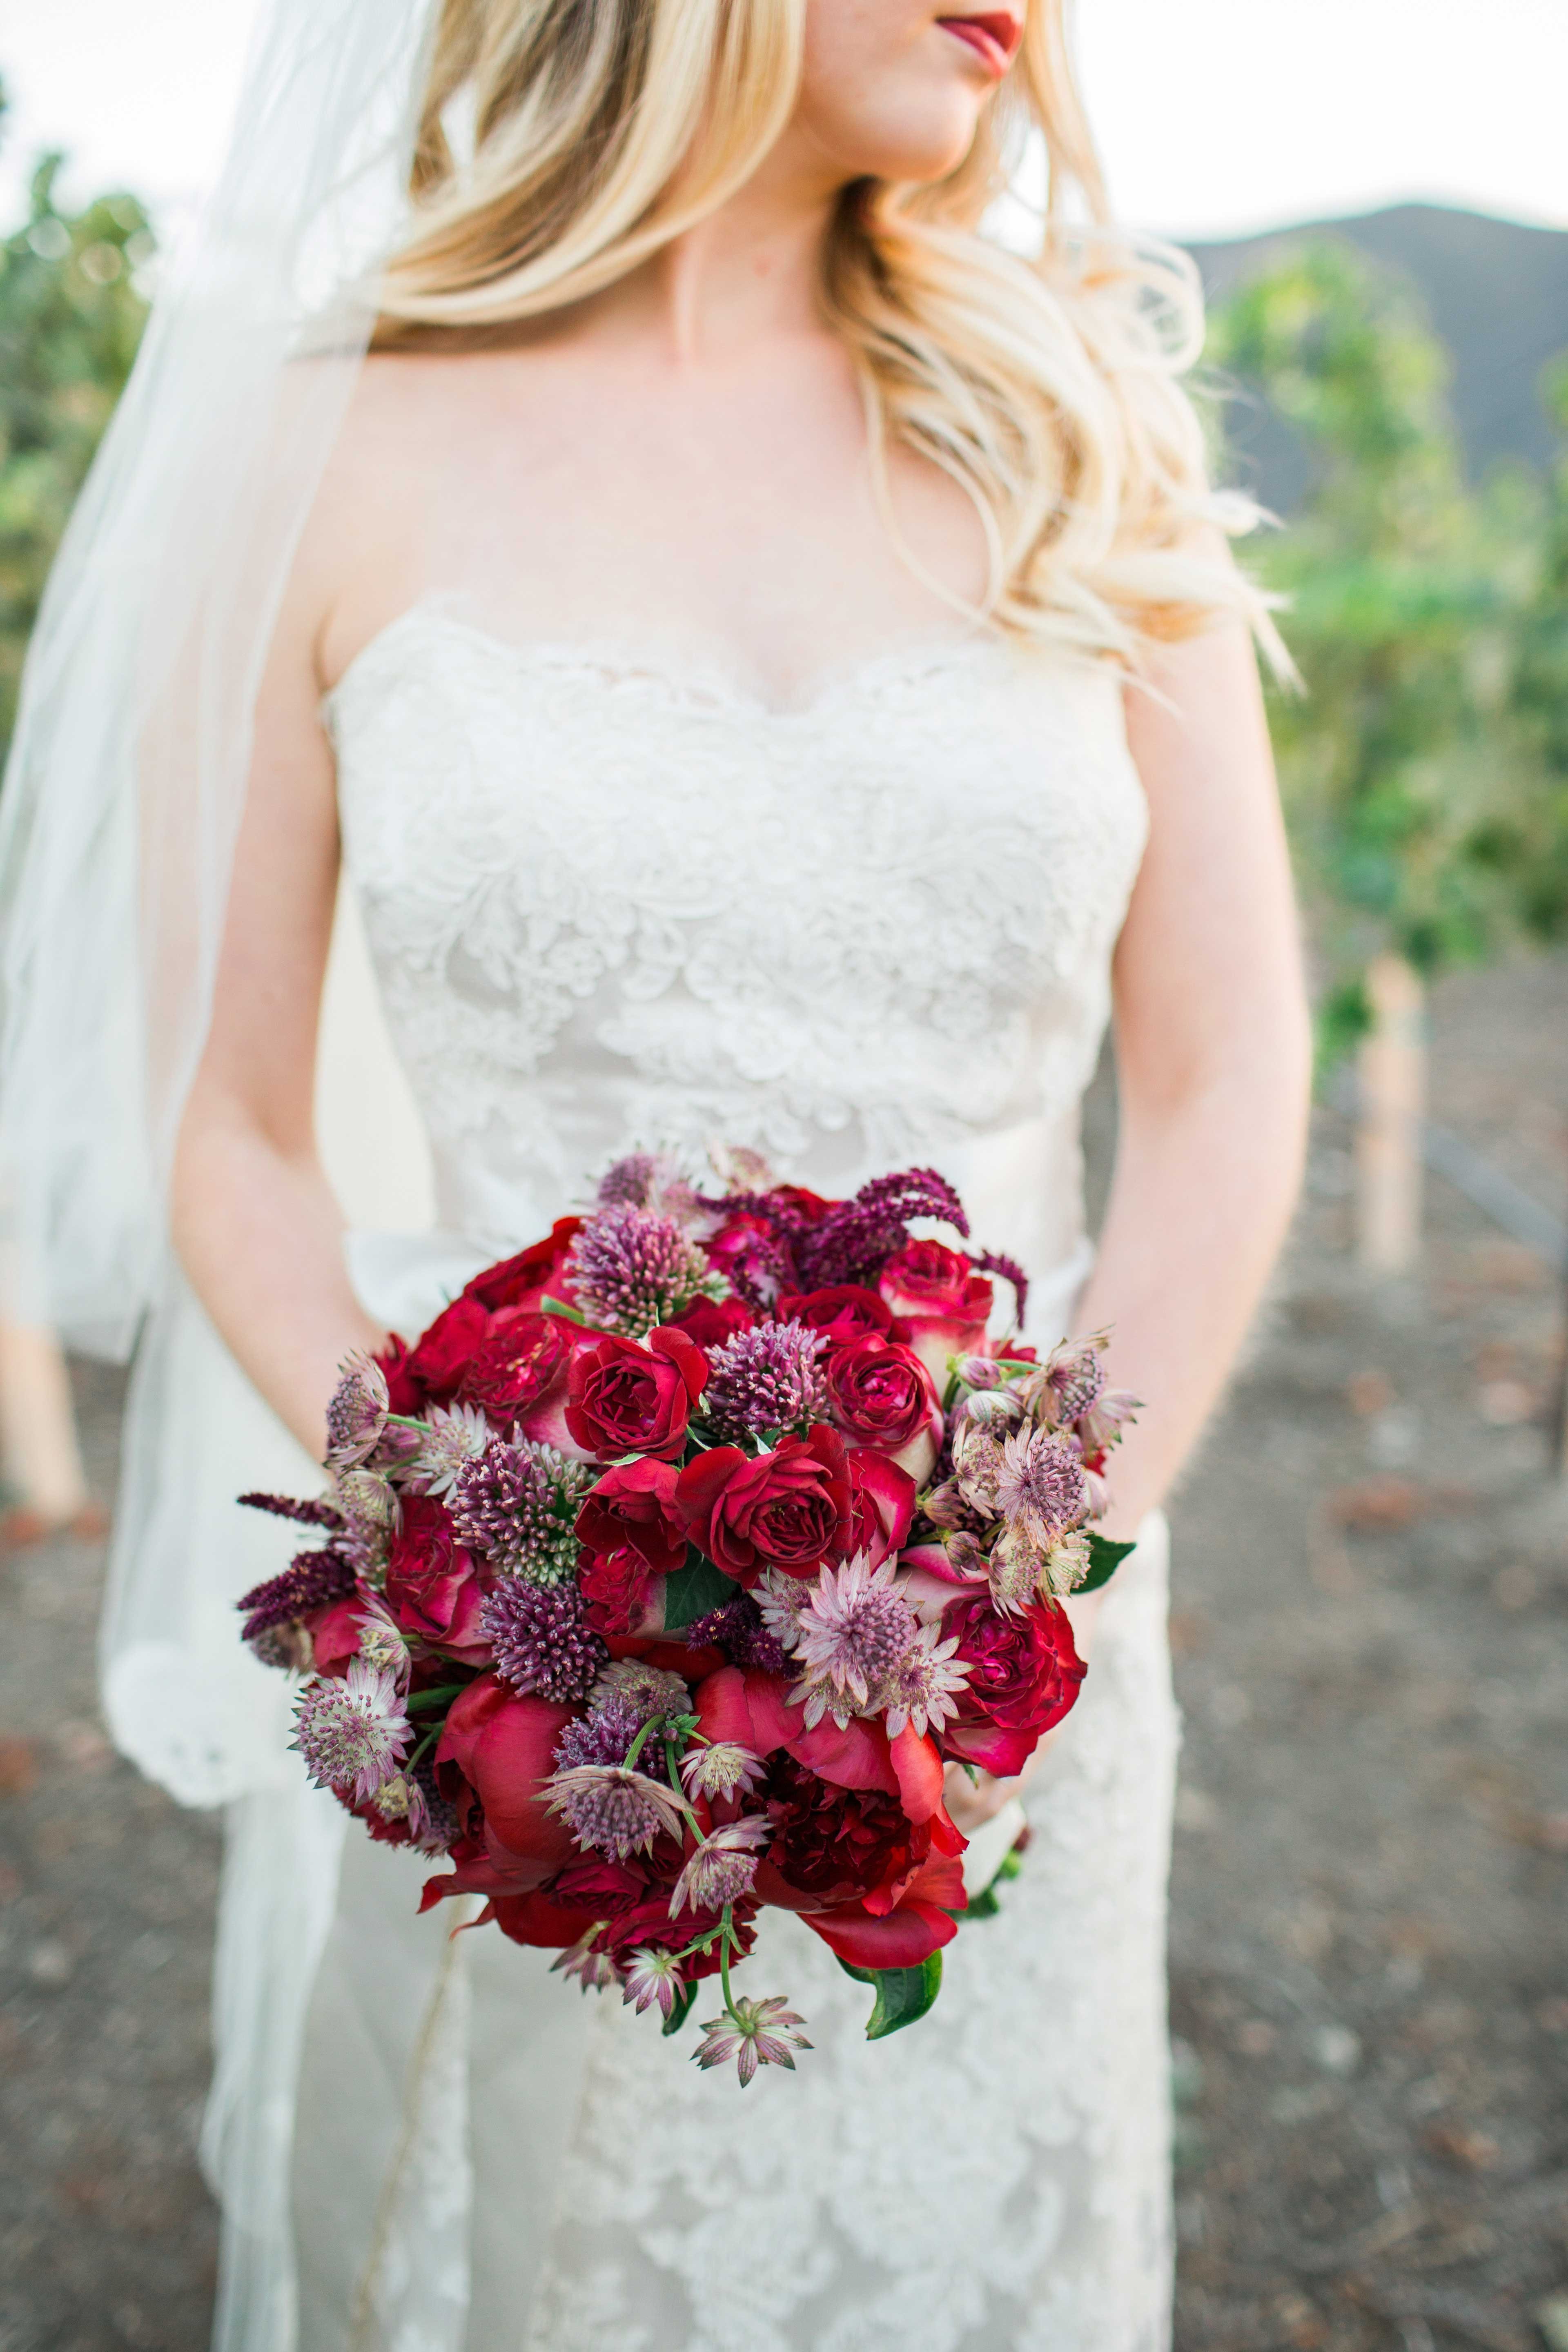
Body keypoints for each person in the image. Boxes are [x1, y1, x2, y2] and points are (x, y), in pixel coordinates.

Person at [1, 1, 1310, 2345]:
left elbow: (1225, 1089)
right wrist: (478, 1561)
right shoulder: (328, 454)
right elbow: (236, 1123)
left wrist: (1019, 1584)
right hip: (531, 1697)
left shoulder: (1081, 433)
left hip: (998, 1688)